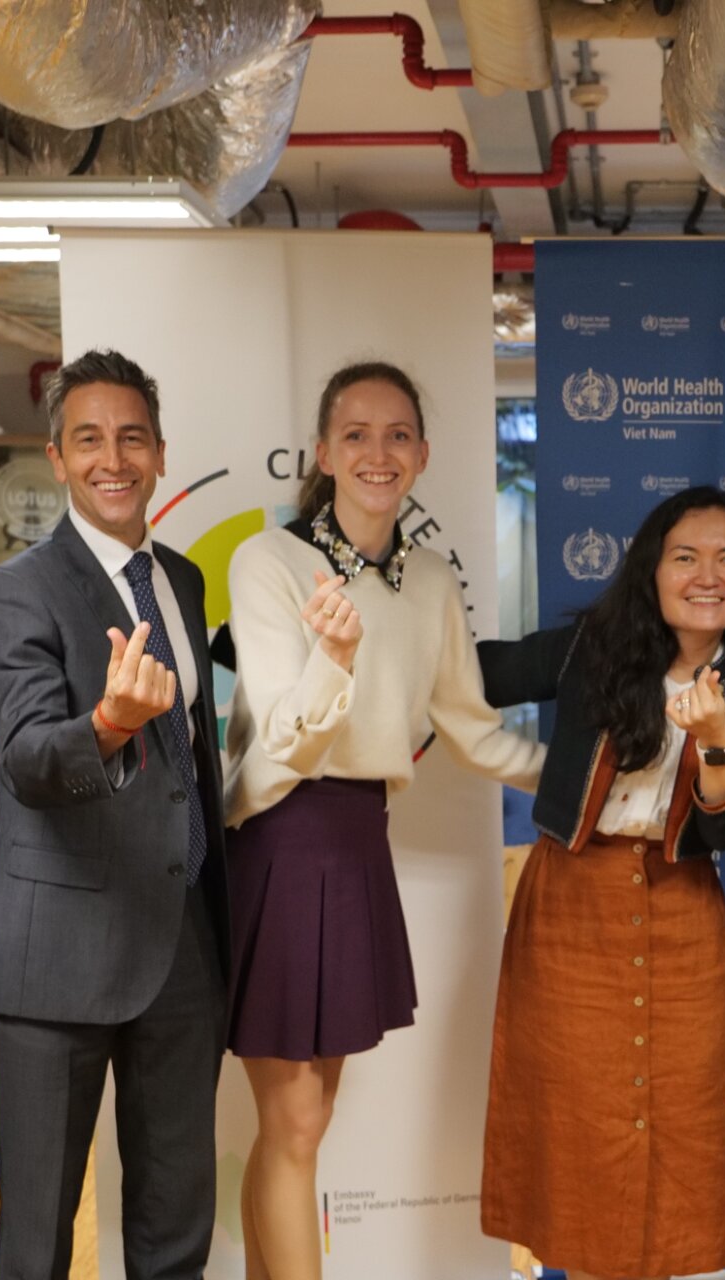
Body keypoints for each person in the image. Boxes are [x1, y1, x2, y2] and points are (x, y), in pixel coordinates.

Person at [220, 360, 544, 1280]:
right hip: (283, 839)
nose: (377, 451)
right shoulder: (271, 561)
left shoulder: (432, 581)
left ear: (424, 455)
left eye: (397, 433)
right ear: (322, 453)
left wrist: (585, 783)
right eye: (355, 434)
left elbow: (475, 734)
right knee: (296, 1121)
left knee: (299, 1124)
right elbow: (287, 737)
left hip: (361, 843)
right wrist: (335, 656)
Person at [476, 486, 725, 1280]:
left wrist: (718, 744)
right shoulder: (595, 646)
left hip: (685, 914)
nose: (707, 575)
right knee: (580, 1133)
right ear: (652, 570)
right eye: (685, 557)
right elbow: (475, 673)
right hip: (569, 913)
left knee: (682, 1128)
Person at [0, 349, 229, 1280]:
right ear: (56, 456)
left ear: (160, 452)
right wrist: (111, 724)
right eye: (89, 439)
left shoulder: (183, 583)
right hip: (59, 964)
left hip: (182, 949)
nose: (111, 458)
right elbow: (33, 759)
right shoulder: (17, 590)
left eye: (131, 437)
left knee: (175, 1227)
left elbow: (191, 763)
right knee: (37, 1236)